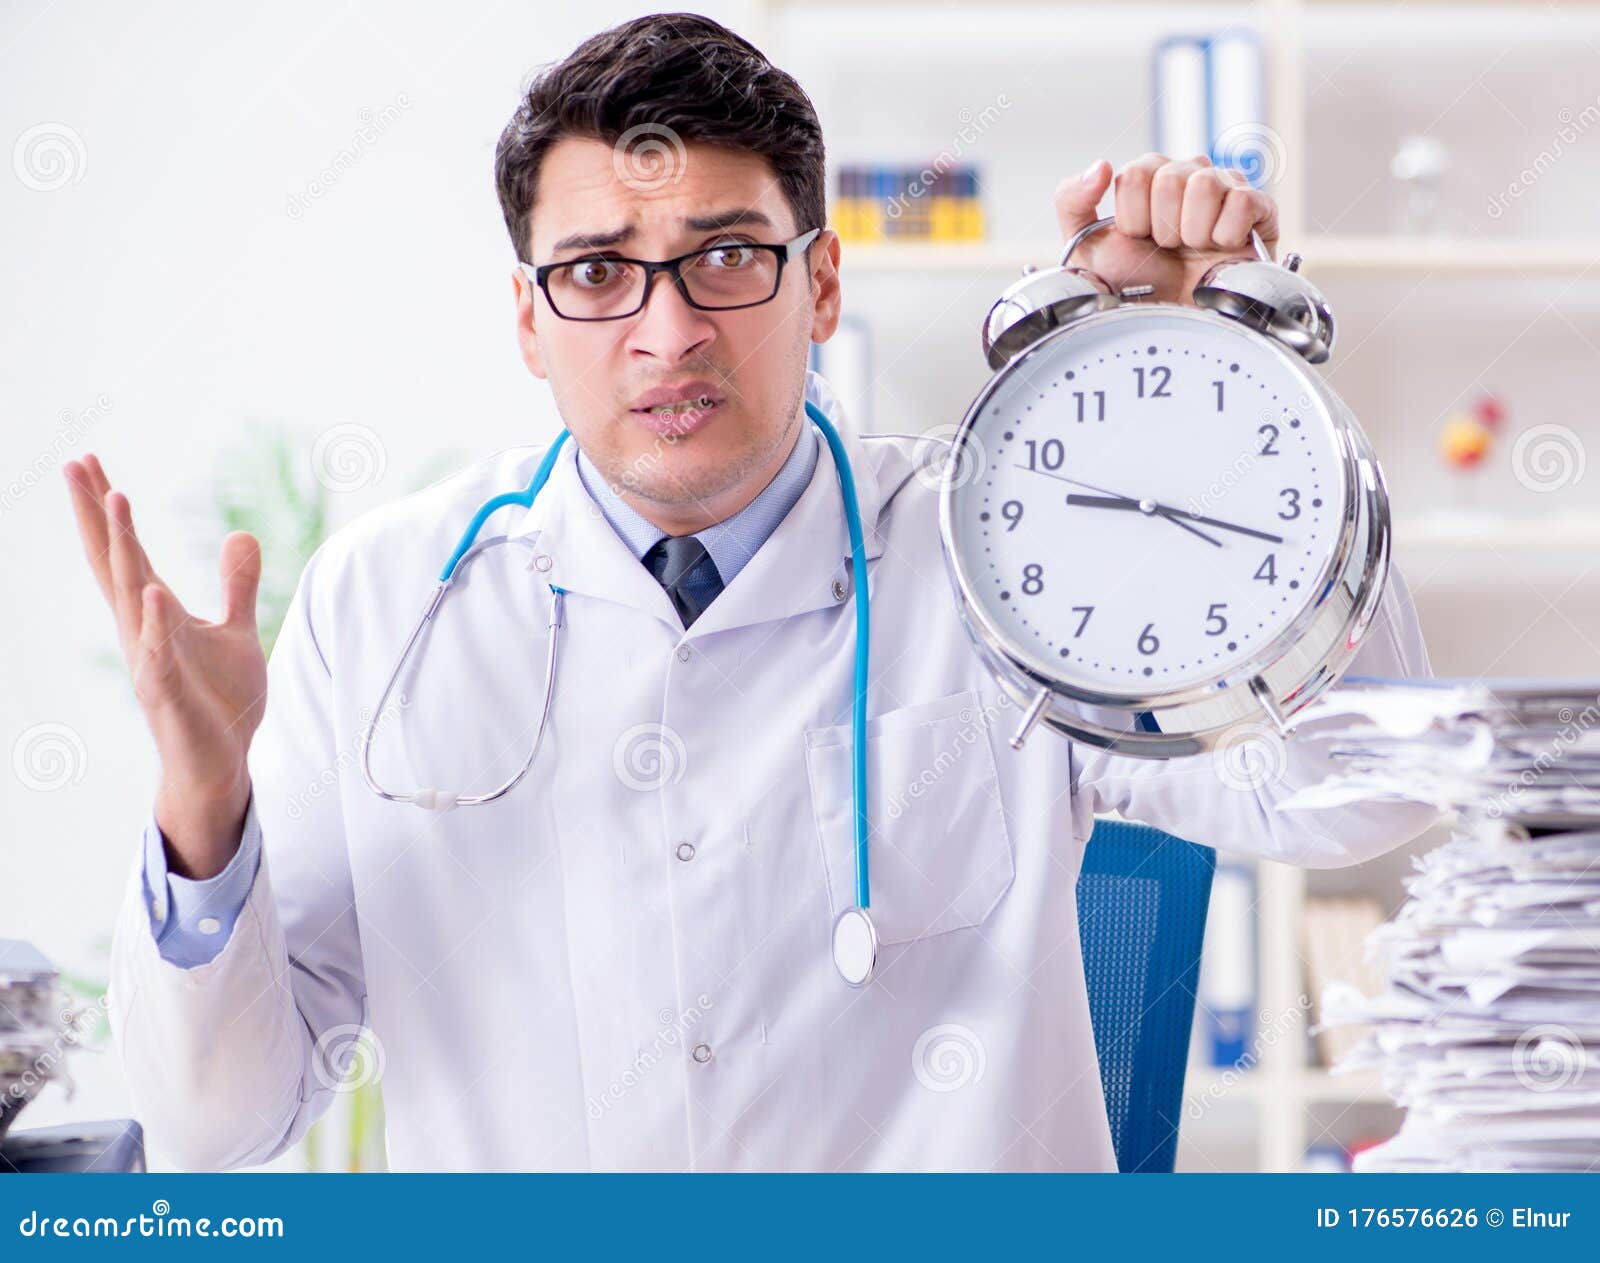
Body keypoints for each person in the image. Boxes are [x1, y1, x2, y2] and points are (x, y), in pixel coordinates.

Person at [64, 13, 1437, 1172]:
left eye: (727, 257)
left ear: (822, 283)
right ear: (531, 321)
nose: (669, 333)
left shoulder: (1003, 552)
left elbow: (1352, 791)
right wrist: (202, 801)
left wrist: (1218, 385)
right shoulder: (388, 604)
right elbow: (219, 1125)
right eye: (598, 273)